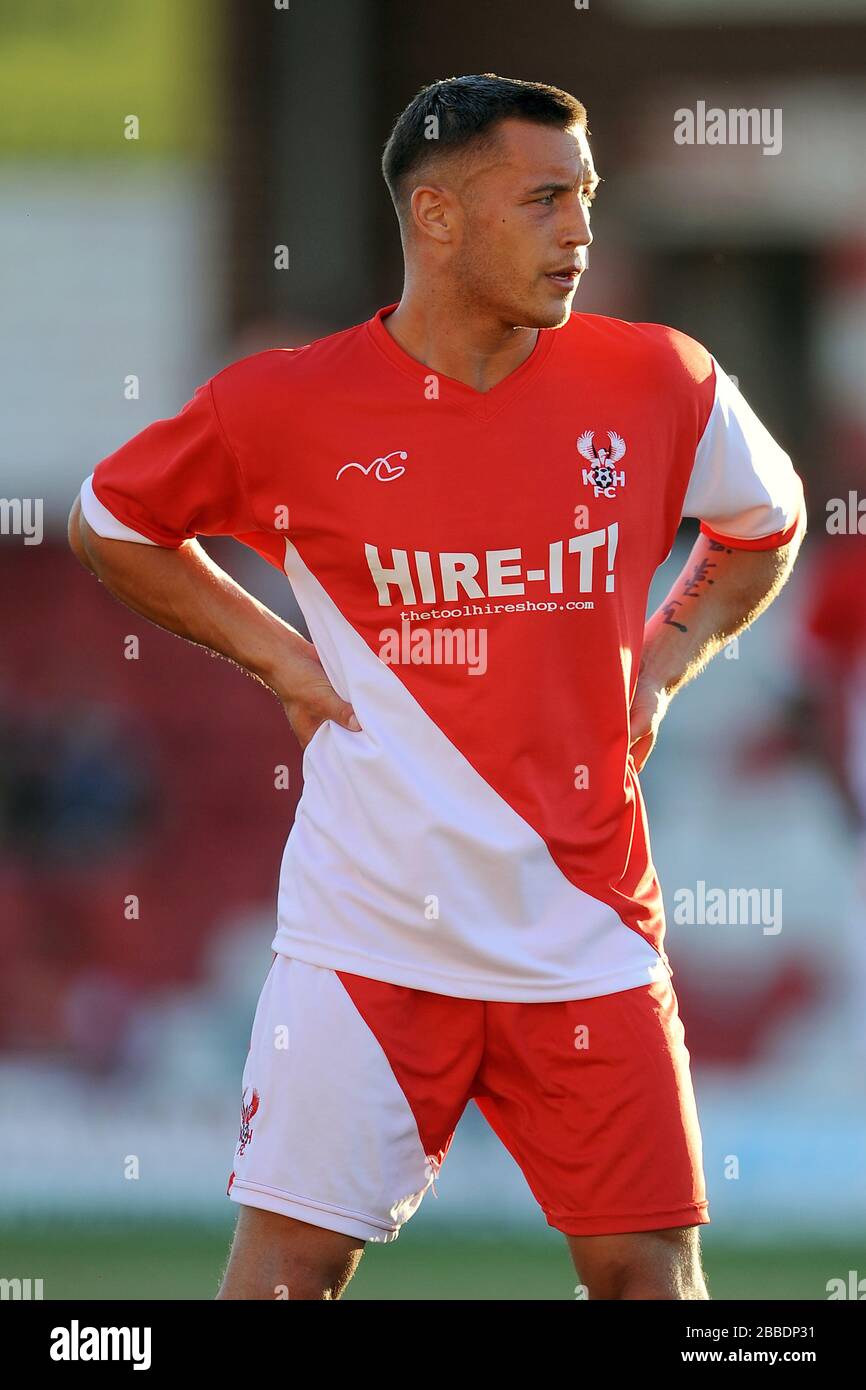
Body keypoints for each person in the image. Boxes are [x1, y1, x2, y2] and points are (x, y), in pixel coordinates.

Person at [68, 73, 806, 1300]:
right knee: (285, 1280)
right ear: (437, 217)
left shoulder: (660, 380)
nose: (580, 229)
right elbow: (111, 521)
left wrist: (668, 661)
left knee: (648, 1280)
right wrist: (276, 655)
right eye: (543, 199)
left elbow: (762, 525)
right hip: (362, 938)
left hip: (585, 936)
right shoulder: (286, 401)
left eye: (586, 197)